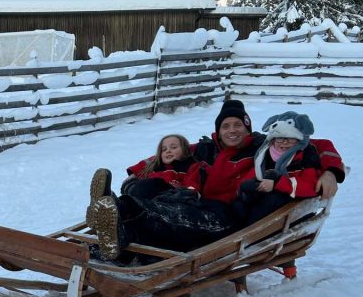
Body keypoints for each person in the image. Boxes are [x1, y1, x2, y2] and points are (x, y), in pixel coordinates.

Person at [88, 99, 344, 262]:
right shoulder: (207, 148)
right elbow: (173, 152)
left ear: (247, 127)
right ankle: (115, 218)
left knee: (168, 214)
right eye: (225, 126)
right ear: (218, 131)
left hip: (226, 216)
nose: (231, 130)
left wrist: (331, 171)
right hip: (194, 199)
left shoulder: (260, 147)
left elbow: (318, 144)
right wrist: (136, 170)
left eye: (237, 125)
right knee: (161, 204)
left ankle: (116, 217)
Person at [233, 111, 322, 225]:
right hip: (271, 208)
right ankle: (235, 233)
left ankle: (249, 235)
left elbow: (311, 186)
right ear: (273, 139)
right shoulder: (265, 154)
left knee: (270, 200)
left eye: (290, 138)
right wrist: (249, 186)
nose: (284, 142)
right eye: (279, 138)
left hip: (294, 207)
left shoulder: (305, 156)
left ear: (299, 140)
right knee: (239, 203)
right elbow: (256, 176)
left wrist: (277, 183)